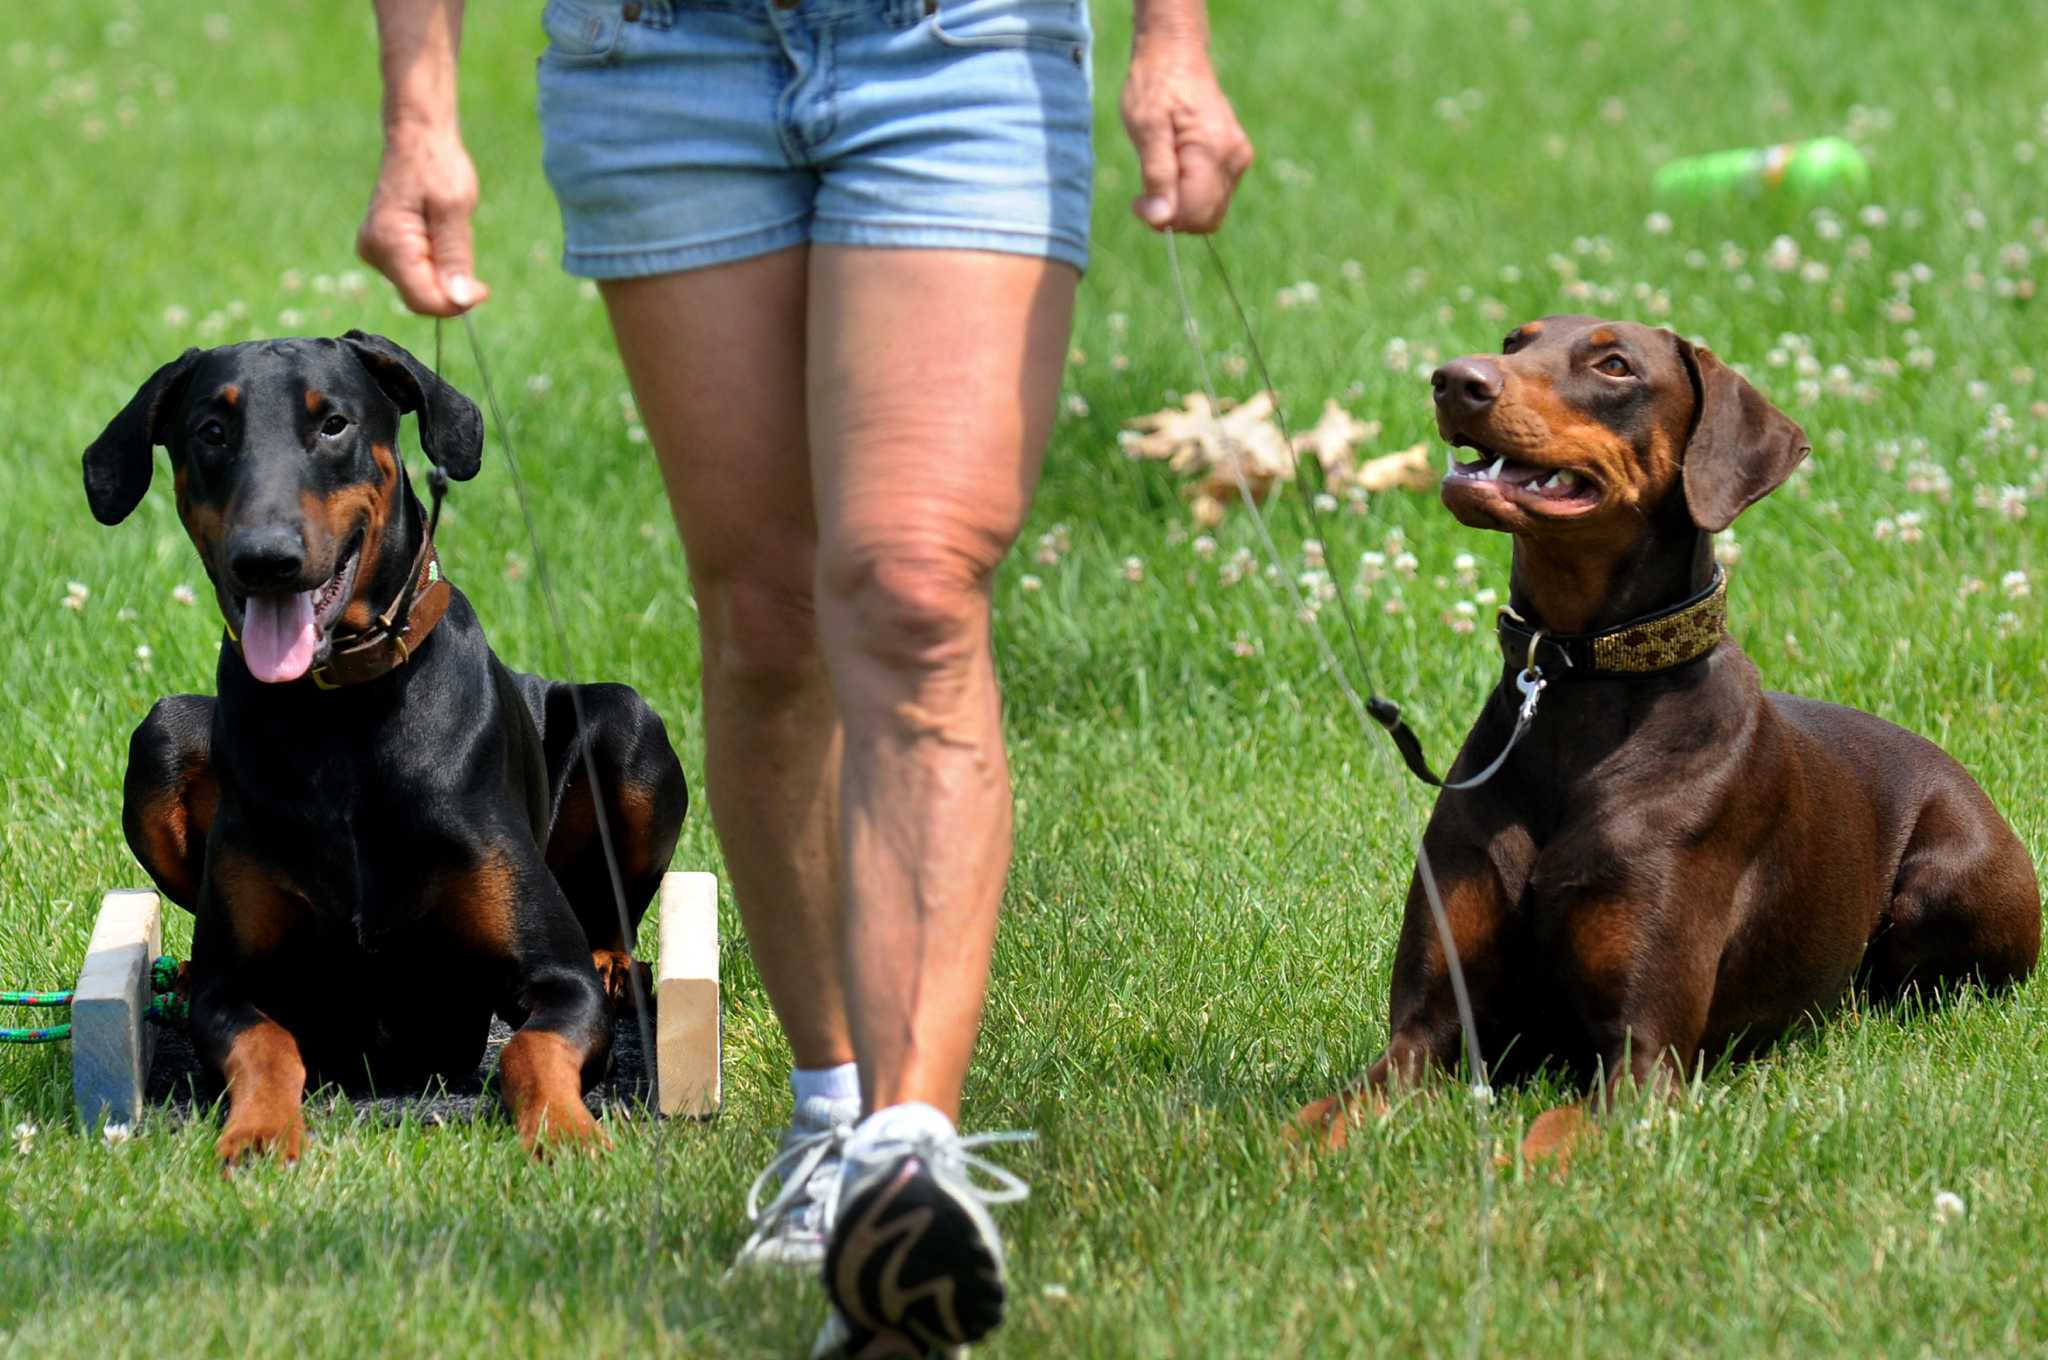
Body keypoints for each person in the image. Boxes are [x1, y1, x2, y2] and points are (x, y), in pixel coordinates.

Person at [360, 1, 1249, 1353]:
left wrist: (1170, 40)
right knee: (768, 620)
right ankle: (834, 1115)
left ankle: (909, 1158)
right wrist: (419, 111)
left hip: (962, 43)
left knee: (912, 591)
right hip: (658, 50)